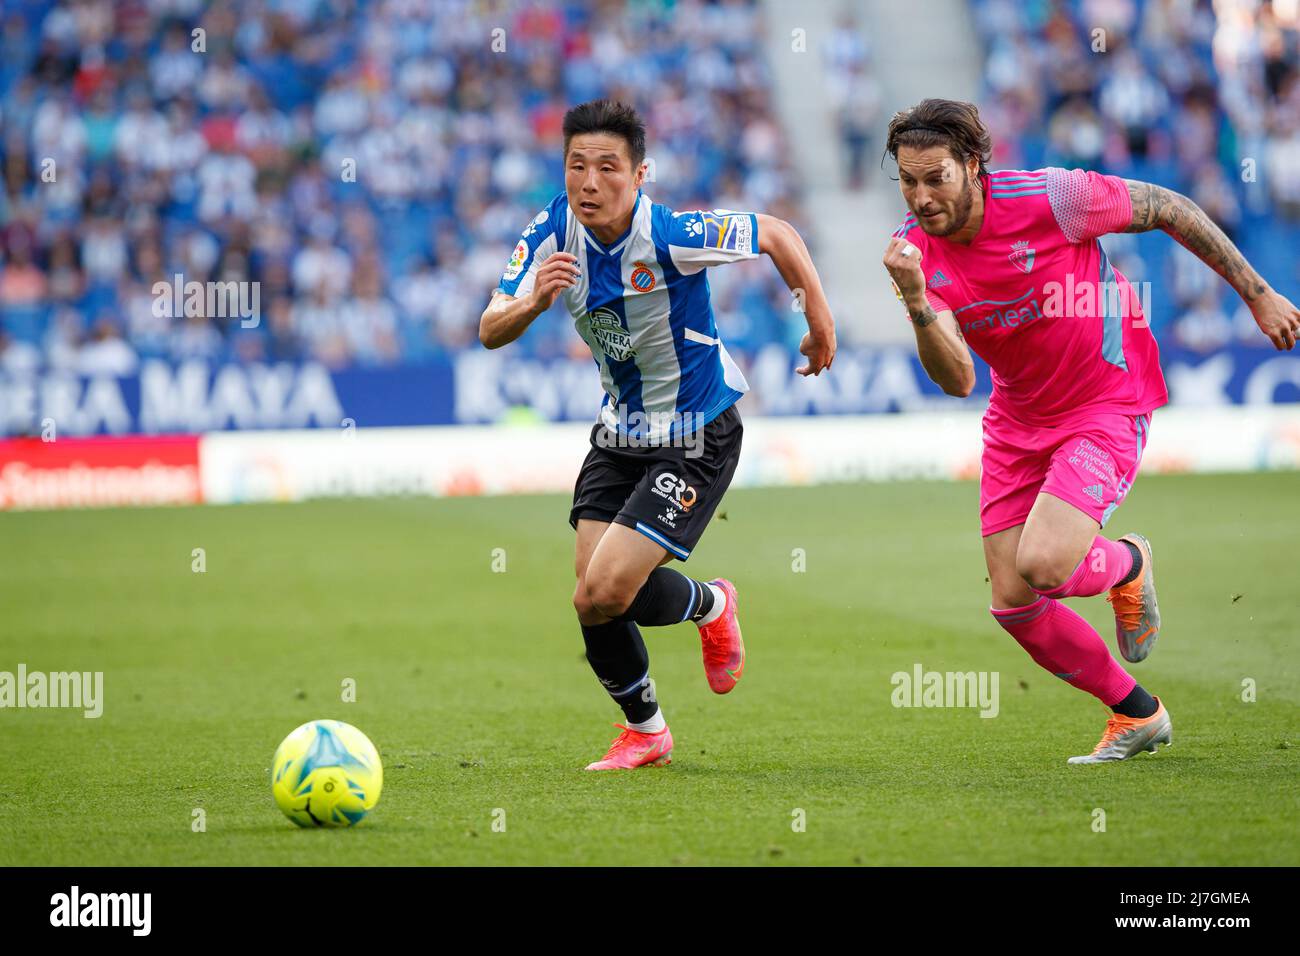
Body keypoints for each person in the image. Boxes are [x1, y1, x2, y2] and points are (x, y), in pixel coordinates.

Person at [880, 98, 1300, 764]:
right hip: (1019, 415)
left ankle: (1127, 562)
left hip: (1106, 395)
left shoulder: (1055, 198)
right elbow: (958, 381)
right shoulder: (914, 257)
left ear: (973, 165)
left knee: (1044, 565)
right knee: (1013, 602)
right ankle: (1138, 714)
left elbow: (1167, 207)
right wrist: (915, 303)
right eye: (908, 180)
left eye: (938, 177)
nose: (923, 196)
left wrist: (1255, 293)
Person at [480, 100, 837, 770]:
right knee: (592, 598)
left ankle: (708, 611)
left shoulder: (671, 234)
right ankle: (651, 721)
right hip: (618, 434)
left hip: (696, 433)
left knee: (607, 590)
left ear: (639, 174)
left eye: (607, 168)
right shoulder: (552, 230)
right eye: (576, 166)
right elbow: (488, 327)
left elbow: (779, 235)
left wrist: (817, 320)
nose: (588, 182)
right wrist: (531, 302)